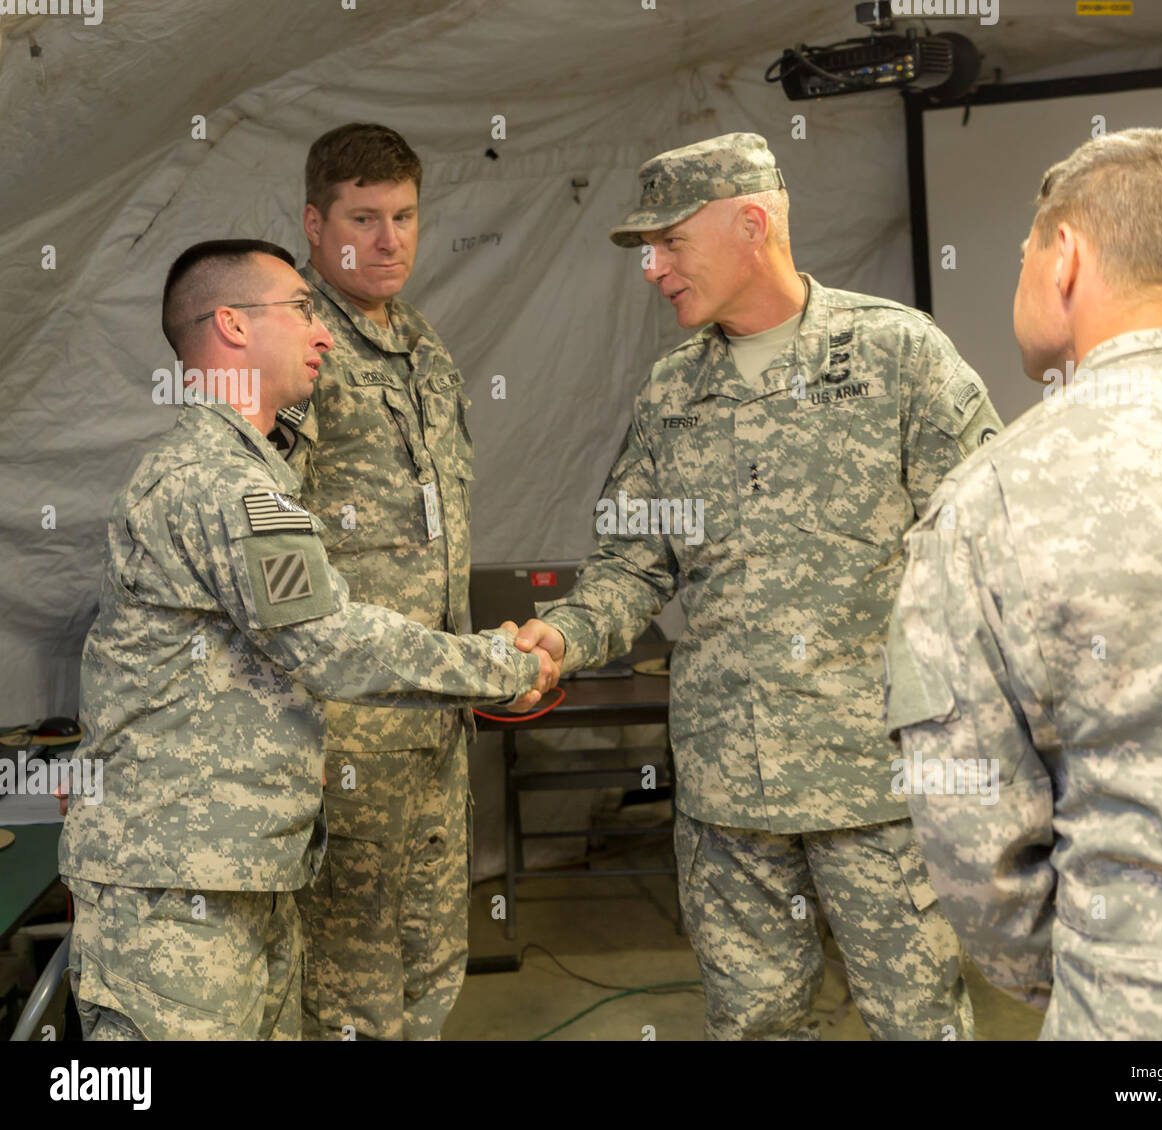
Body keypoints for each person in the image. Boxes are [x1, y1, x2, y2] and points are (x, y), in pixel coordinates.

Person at [512, 132, 1002, 1040]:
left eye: (670, 242)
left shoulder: (896, 356)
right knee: (753, 1026)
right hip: (729, 794)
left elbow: (987, 542)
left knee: (919, 1023)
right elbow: (632, 563)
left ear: (751, 223)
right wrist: (565, 636)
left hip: (876, 787)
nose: (653, 268)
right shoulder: (670, 394)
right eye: (645, 250)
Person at [60, 239, 555, 1041]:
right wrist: (501, 662)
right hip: (175, 888)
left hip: (239, 873)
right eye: (299, 309)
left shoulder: (252, 480)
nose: (321, 331)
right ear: (231, 325)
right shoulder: (216, 484)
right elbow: (331, 640)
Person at [884, 127, 1162, 1039]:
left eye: (1024, 254)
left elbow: (975, 849)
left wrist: (1092, 981)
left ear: (1064, 256)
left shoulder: (991, 501)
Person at [270, 124, 482, 1041]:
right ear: (316, 224)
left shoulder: (421, 342)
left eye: (405, 216)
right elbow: (265, 549)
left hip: (435, 718)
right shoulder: (295, 349)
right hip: (345, 728)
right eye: (365, 217)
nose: (389, 239)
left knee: (434, 959)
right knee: (352, 986)